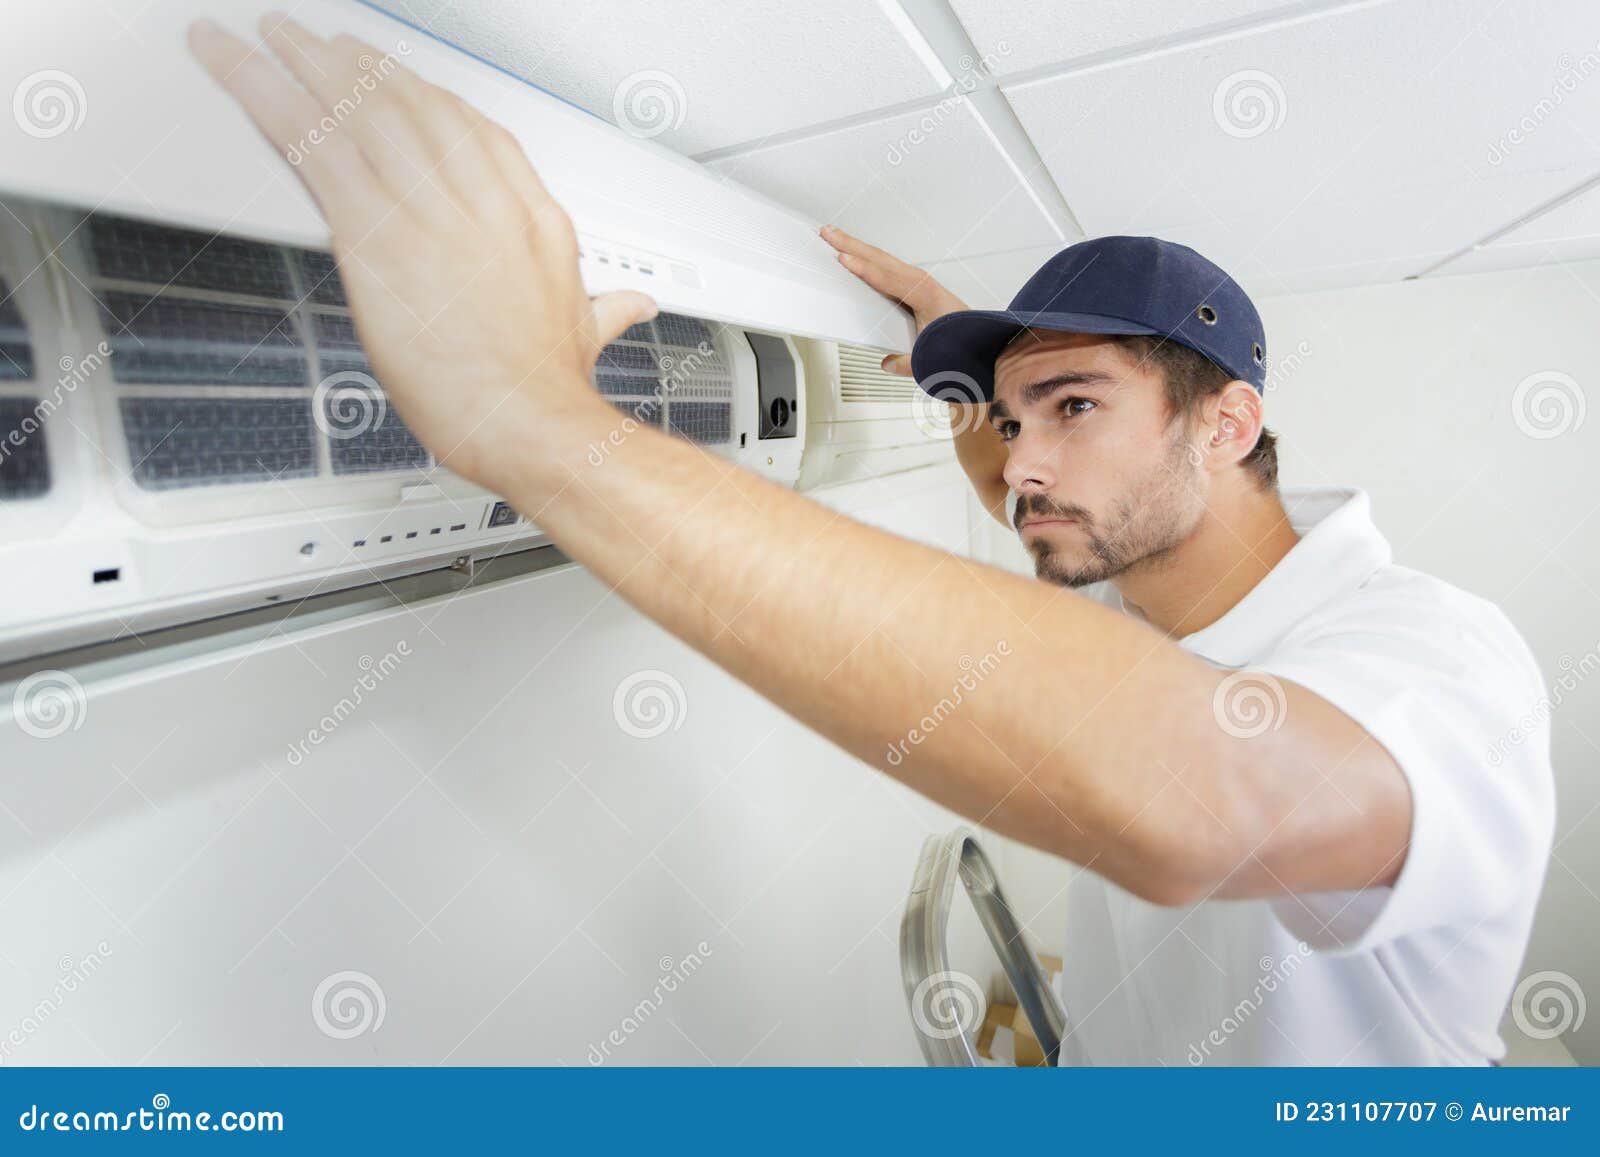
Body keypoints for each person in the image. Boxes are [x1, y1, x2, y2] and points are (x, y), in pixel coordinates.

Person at [188, 14, 1555, 1065]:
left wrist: (536, 421)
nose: (1023, 463)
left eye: (1076, 404)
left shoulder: (1434, 656)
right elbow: (1034, 509)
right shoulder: (1141, 591)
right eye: (1012, 417)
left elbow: (1208, 795)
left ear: (1227, 421)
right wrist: (982, 378)